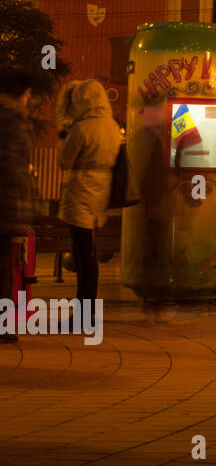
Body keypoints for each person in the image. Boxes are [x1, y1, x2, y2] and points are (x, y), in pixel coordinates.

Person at [56, 79, 121, 303]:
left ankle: (85, 307)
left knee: (83, 253)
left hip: (80, 190)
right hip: (101, 191)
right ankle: (88, 306)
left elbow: (65, 160)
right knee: (89, 251)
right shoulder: (112, 126)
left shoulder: (82, 128)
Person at [0, 70, 36, 344]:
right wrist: (21, 211)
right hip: (5, 209)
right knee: (2, 269)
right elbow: (13, 170)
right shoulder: (12, 121)